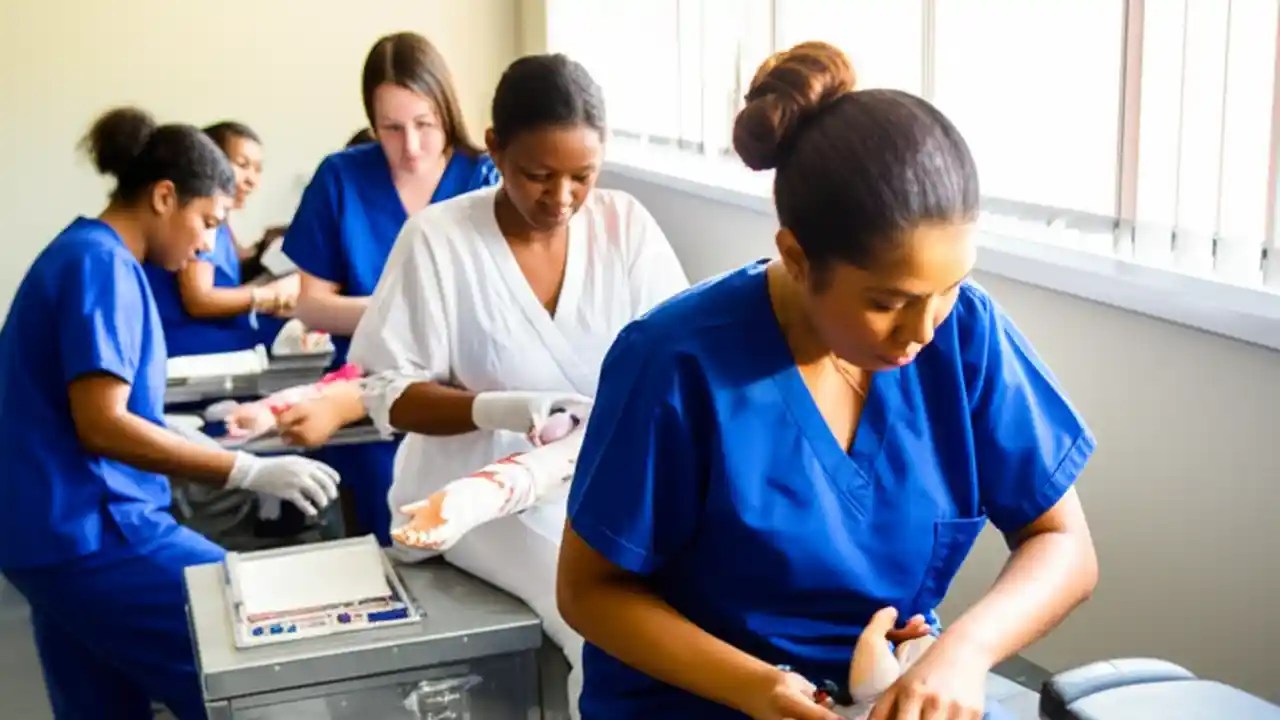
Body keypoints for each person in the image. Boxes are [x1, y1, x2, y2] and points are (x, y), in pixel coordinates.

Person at [557, 42, 1099, 720]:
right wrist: (758, 688)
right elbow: (588, 591)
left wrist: (965, 651)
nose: (924, 330)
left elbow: (1063, 544)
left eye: (949, 289)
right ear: (796, 257)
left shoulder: (968, 335)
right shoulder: (674, 363)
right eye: (887, 302)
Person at [274, 53, 690, 717]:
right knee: (606, 627)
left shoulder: (624, 227)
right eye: (538, 176)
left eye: (582, 176)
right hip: (472, 498)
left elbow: (678, 357)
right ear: (495, 149)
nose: (561, 198)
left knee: (699, 605)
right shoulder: (439, 241)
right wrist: (503, 408)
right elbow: (389, 393)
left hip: (598, 482)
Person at [0, 107, 341, 720]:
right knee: (249, 659)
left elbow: (97, 407)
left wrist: (163, 430)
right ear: (164, 197)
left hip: (45, 534)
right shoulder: (99, 264)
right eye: (207, 221)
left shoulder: (86, 254)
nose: (207, 245)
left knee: (101, 704)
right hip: (92, 530)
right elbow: (101, 423)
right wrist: (241, 470)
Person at [282, 32, 500, 546]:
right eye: (392, 128)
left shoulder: (485, 176)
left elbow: (492, 312)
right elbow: (312, 306)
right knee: (394, 553)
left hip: (468, 407)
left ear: (447, 110)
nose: (412, 147)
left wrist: (397, 320)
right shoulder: (340, 178)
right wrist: (413, 317)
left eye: (425, 124)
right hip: (365, 411)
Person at [143, 121, 296, 357]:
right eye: (242, 165)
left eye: (257, 169)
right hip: (186, 337)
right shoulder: (202, 225)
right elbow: (199, 299)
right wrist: (269, 295)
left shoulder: (221, 224)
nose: (251, 180)